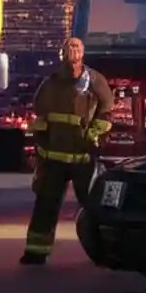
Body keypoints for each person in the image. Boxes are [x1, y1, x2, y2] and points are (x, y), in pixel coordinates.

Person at [21, 37, 113, 264]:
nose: (73, 51)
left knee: (92, 206)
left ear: (83, 53)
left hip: (83, 157)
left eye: (77, 47)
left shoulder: (95, 81)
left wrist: (93, 136)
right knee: (45, 205)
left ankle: (106, 251)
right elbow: (40, 115)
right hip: (53, 158)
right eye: (69, 47)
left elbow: (106, 112)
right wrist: (41, 145)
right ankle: (36, 251)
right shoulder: (50, 83)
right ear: (62, 53)